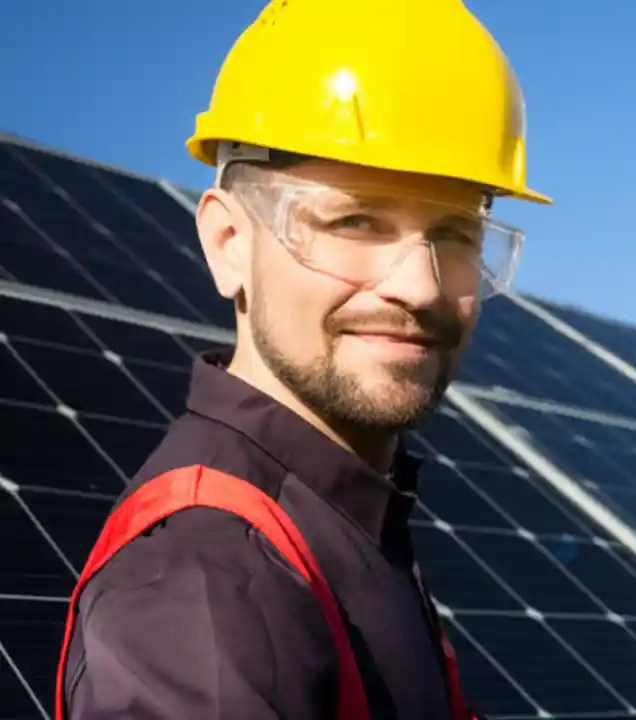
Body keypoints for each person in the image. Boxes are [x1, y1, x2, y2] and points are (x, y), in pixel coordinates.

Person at [53, 0, 550, 717]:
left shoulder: (342, 518)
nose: (419, 287)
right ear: (229, 244)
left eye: (456, 235)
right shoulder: (204, 588)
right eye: (355, 221)